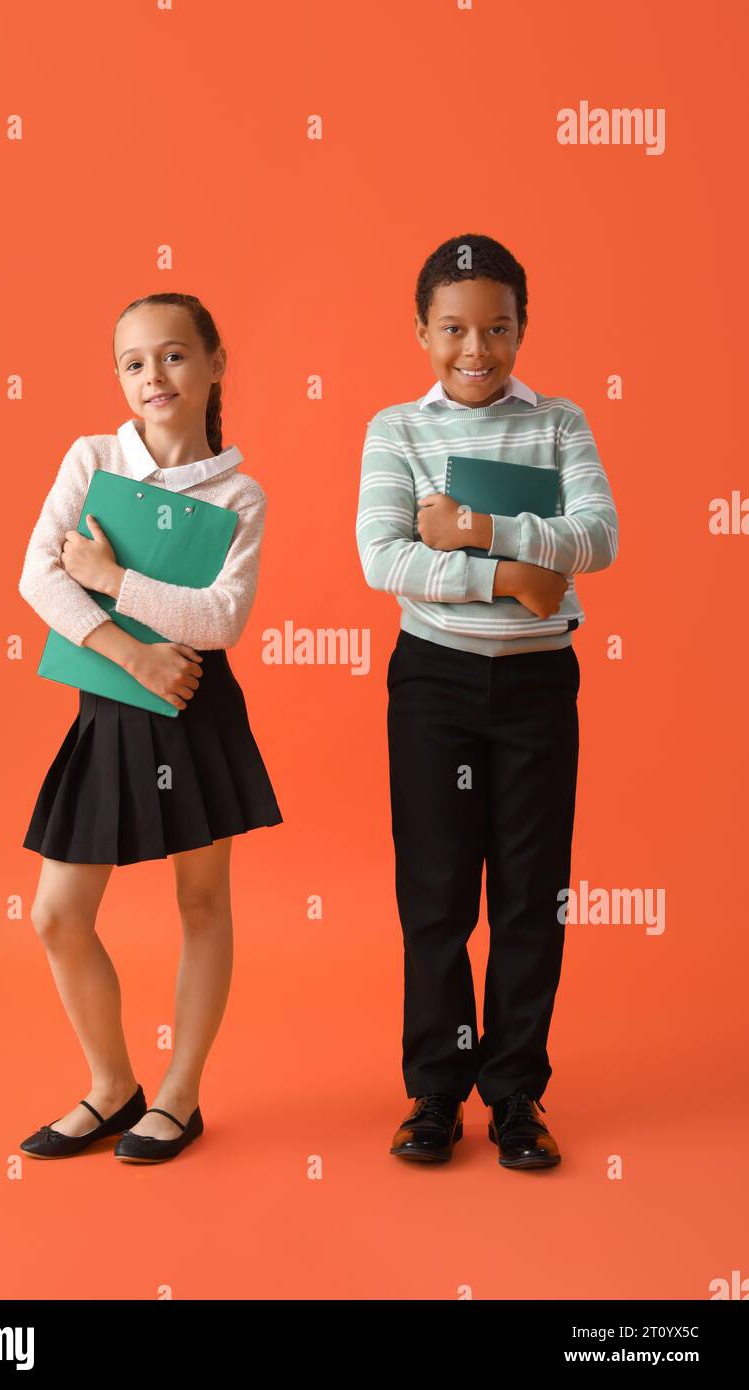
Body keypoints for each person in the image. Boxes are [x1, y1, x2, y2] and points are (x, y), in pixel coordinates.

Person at [356, 234, 619, 1169]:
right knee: (434, 894)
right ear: (421, 330)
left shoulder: (559, 423)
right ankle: (435, 1090)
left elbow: (596, 536)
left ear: (522, 329)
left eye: (497, 328)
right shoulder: (397, 430)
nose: (476, 349)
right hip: (435, 683)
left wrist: (474, 531)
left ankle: (515, 1094)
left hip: (539, 686)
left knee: (528, 895)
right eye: (454, 328)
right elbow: (385, 559)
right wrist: (519, 572)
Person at [17, 292, 282, 1165]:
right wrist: (134, 655)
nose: (152, 376)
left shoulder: (239, 492)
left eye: (173, 356)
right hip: (114, 703)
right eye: (133, 363)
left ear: (214, 364)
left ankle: (178, 1096)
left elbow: (220, 619)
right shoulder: (91, 459)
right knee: (58, 914)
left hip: (195, 707)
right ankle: (111, 1087)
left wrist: (112, 577)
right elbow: (38, 581)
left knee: (201, 903)